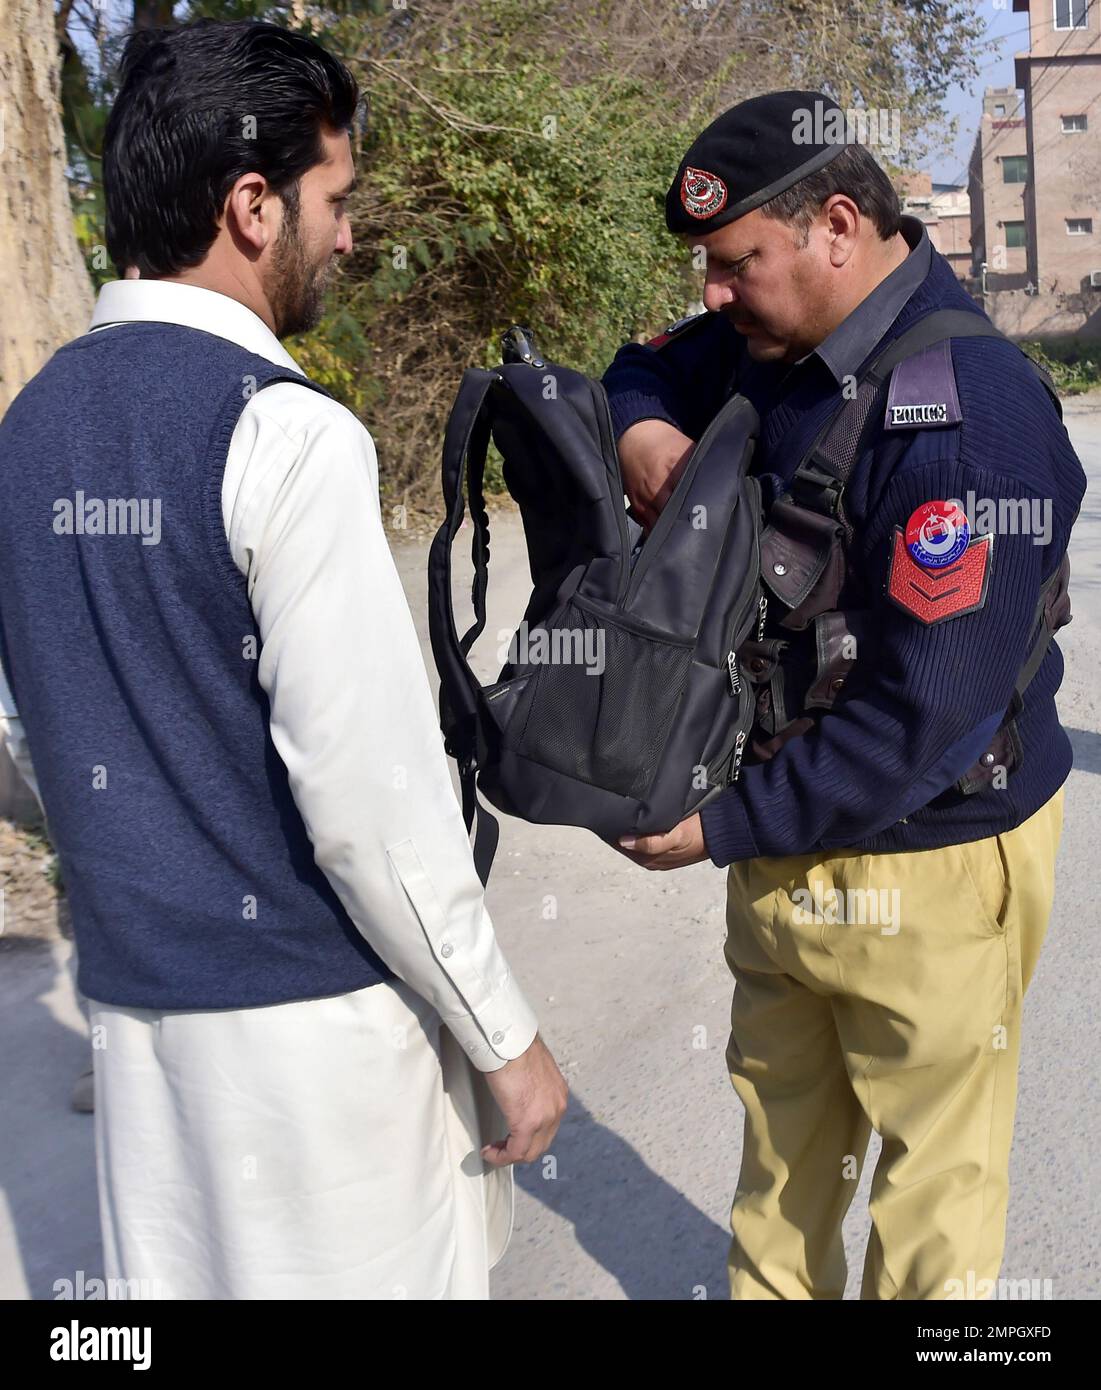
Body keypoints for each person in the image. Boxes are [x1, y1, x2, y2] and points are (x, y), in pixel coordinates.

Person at [0, 18, 566, 1300]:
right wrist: (505, 1037)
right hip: (320, 1063)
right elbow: (374, 809)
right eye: (336, 198)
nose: (350, 234)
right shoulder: (283, 435)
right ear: (254, 206)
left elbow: (28, 747)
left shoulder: (27, 433)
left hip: (146, 1050)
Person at [604, 90, 1085, 1299]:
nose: (713, 292)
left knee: (931, 1217)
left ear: (834, 226)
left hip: (924, 860)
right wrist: (640, 439)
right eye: (708, 269)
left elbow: (932, 711)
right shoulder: (769, 334)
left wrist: (720, 827)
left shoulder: (965, 420)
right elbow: (632, 370)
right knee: (782, 1177)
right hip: (778, 844)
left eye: (735, 264)